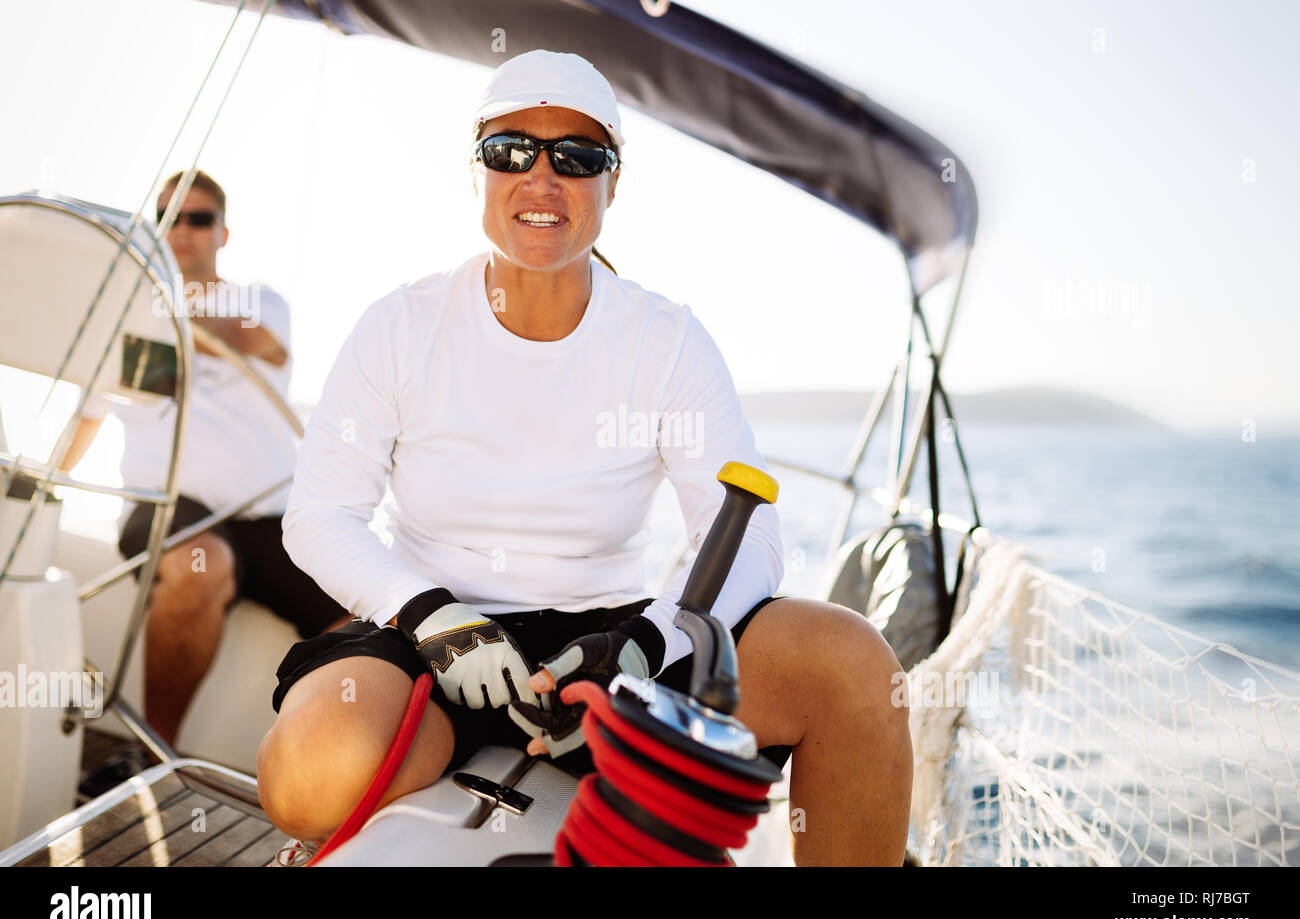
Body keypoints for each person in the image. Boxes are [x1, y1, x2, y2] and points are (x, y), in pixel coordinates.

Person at [256, 51, 912, 866]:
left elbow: (752, 538)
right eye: (509, 151)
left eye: (577, 156)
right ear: (475, 174)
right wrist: (432, 616)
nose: (541, 176)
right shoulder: (400, 325)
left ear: (612, 182)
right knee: (307, 779)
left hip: (612, 644)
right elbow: (321, 516)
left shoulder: (667, 339)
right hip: (425, 631)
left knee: (852, 667)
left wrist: (644, 644)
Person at [66, 171, 349, 783]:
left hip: (267, 519)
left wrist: (181, 307)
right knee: (204, 564)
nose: (182, 232)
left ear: (223, 231)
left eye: (198, 219)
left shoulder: (256, 300)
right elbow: (87, 418)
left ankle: (320, 780)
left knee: (362, 620)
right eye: (168, 218)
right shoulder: (123, 317)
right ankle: (149, 759)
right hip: (170, 508)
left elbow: (261, 344)